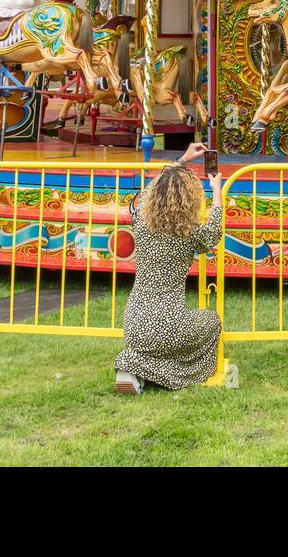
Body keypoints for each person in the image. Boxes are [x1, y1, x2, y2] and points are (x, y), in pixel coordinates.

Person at [115, 143, 223, 395]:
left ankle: (133, 367)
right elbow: (214, 232)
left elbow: (144, 192)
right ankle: (169, 374)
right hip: (170, 325)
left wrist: (181, 160)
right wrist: (217, 192)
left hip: (134, 324)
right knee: (211, 322)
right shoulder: (189, 233)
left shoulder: (140, 222)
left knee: (151, 343)